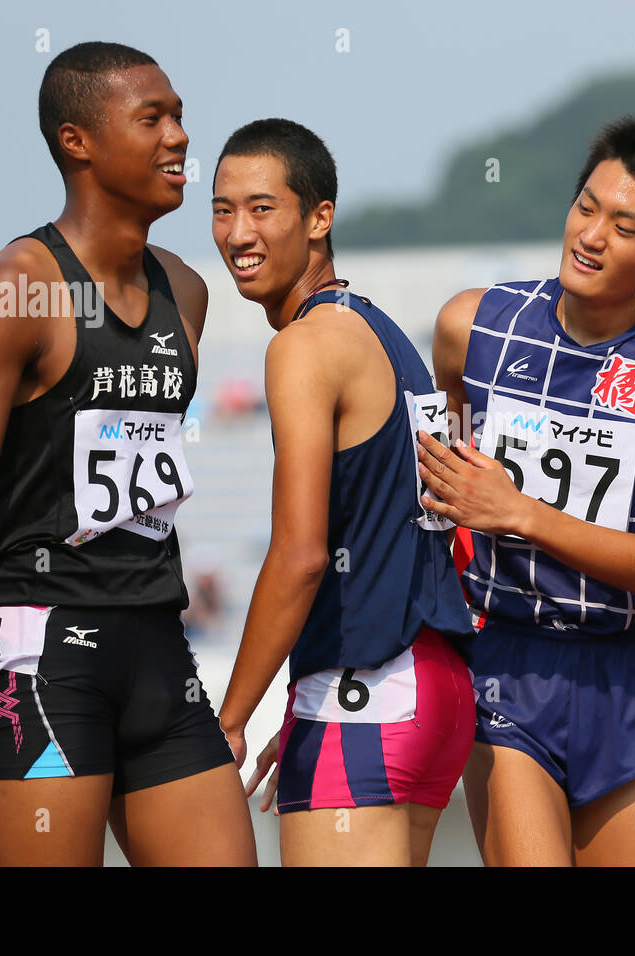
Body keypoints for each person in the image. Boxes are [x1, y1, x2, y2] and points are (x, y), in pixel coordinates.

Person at [0, 42, 256, 866]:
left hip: (157, 646)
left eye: (179, 115)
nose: (179, 137)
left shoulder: (188, 290)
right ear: (78, 142)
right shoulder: (13, 291)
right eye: (153, 119)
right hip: (34, 658)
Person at [417, 111, 635, 865]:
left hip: (629, 679)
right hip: (508, 663)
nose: (592, 235)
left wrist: (522, 514)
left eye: (625, 226)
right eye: (586, 207)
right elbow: (441, 481)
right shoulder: (472, 327)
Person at [210, 119, 476, 867]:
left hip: (371, 685)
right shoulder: (382, 332)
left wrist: (227, 720)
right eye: (222, 210)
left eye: (263, 208)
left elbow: (300, 555)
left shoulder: (302, 346)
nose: (237, 232)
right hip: (432, 684)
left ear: (320, 217)